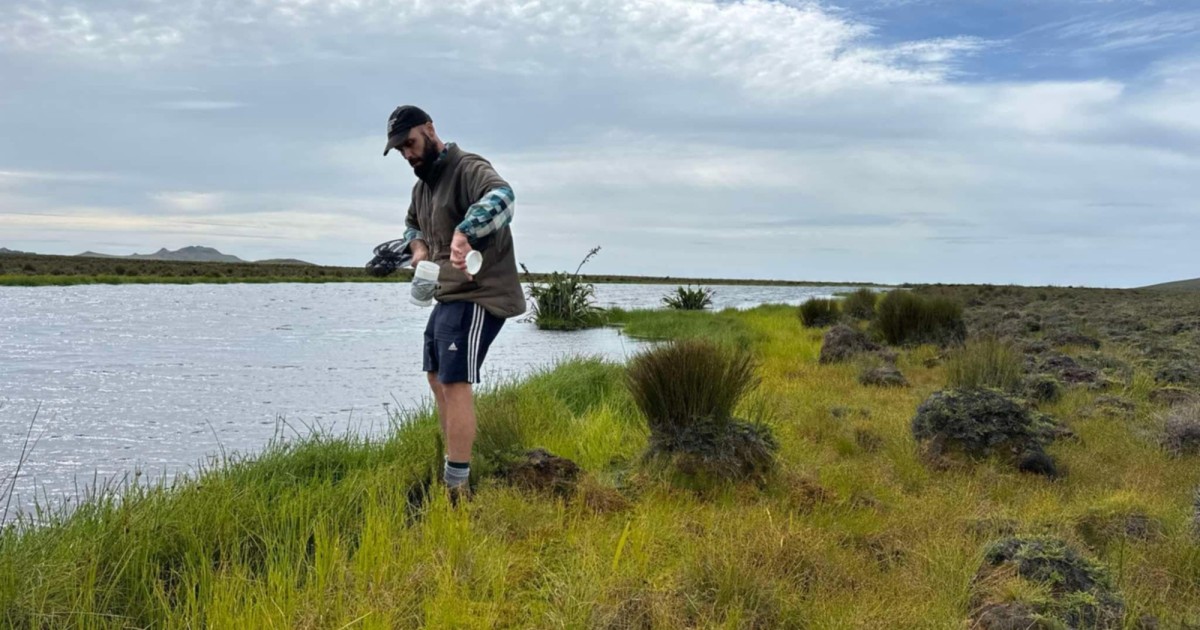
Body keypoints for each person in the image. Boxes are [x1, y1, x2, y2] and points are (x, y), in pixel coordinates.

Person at [384, 105, 525, 500]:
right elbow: (414, 223)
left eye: (410, 143)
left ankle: (456, 487)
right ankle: (452, 463)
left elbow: (503, 197)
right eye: (400, 150)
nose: (407, 154)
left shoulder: (467, 166)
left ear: (429, 129)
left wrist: (465, 232)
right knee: (435, 377)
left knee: (455, 382)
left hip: (480, 294)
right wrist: (418, 248)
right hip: (445, 295)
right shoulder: (422, 185)